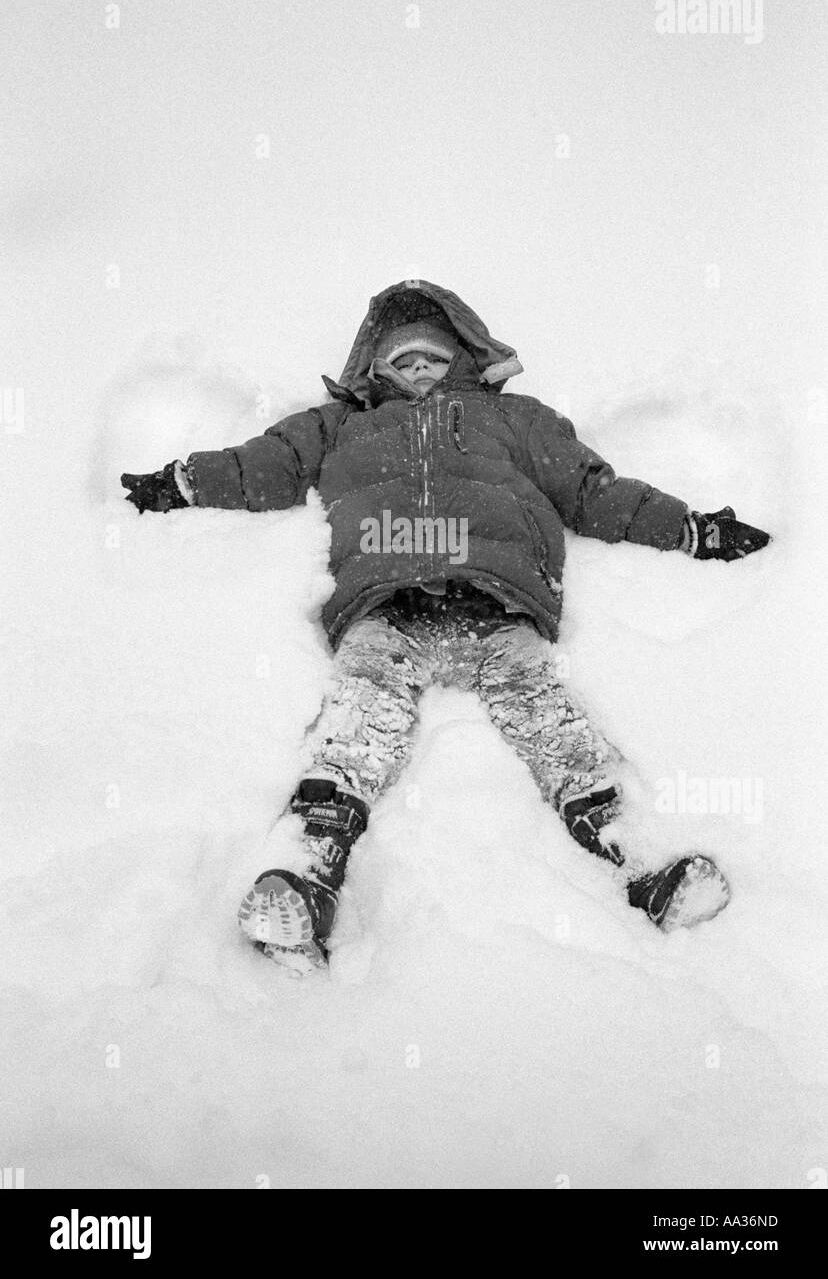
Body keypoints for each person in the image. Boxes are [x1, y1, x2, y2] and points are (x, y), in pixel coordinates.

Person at [122, 280, 770, 972]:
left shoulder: (516, 420)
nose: (420, 373)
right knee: (359, 722)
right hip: (386, 603)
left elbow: (591, 492)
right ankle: (308, 874)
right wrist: (184, 481)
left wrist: (692, 529)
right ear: (374, 368)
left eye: (435, 360)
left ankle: (640, 865)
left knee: (548, 717)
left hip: (496, 602)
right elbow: (266, 465)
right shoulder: (338, 424)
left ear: (465, 360)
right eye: (404, 363)